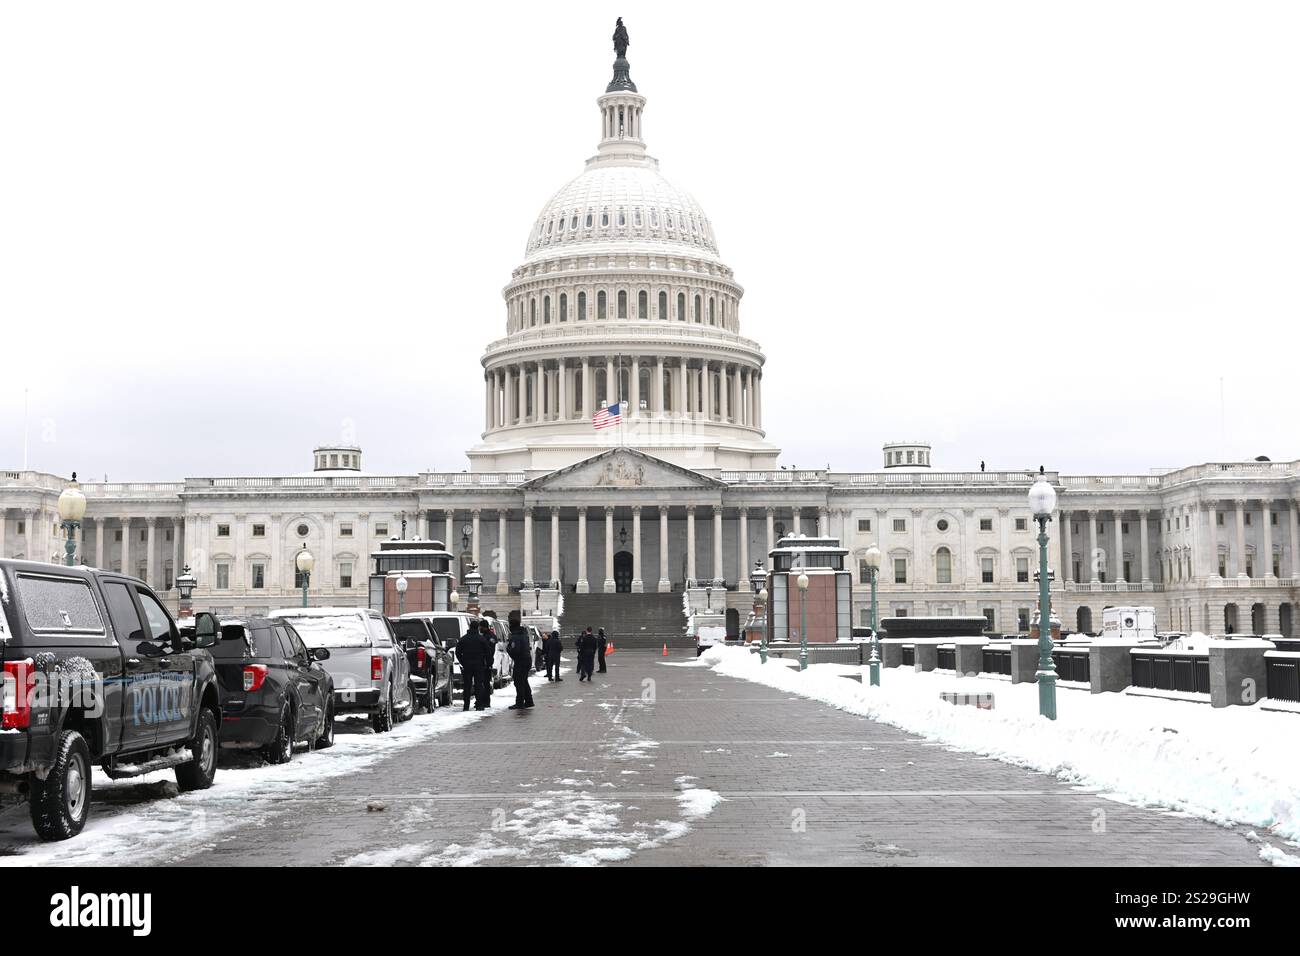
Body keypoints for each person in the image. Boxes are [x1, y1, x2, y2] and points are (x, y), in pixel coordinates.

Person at [455, 621, 491, 711]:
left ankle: (466, 706)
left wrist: (462, 662)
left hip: (467, 665)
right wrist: (487, 663)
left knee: (467, 685)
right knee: (479, 685)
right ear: (478, 627)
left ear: (470, 627)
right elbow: (488, 652)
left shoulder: (463, 639)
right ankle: (479, 705)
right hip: (479, 665)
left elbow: (458, 652)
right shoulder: (482, 639)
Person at [506, 610, 534, 709]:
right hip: (526, 660)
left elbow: (515, 650)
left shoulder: (515, 636)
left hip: (521, 661)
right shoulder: (523, 634)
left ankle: (520, 702)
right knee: (524, 681)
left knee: (518, 682)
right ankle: (529, 701)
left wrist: (508, 648)